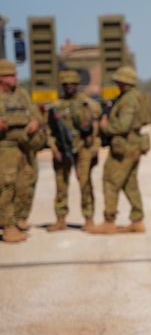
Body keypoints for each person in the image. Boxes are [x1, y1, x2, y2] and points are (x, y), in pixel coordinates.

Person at [91, 65, 146, 234]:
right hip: (133, 146)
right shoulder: (135, 97)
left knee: (110, 180)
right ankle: (137, 221)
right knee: (130, 183)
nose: (117, 84)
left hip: (124, 147)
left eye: (119, 81)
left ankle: (109, 222)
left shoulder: (128, 100)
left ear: (124, 82)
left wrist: (105, 127)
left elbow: (123, 126)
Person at [47, 69, 101, 232]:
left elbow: (96, 128)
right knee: (61, 184)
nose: (69, 87)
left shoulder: (88, 104)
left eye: (72, 84)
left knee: (85, 184)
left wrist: (93, 149)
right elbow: (49, 130)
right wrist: (54, 148)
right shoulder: (56, 106)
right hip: (62, 149)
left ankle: (89, 218)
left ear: (77, 84)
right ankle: (60, 219)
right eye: (66, 84)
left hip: (83, 148)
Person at [0, 59, 41, 243]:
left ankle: (17, 220)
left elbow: (36, 115)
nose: (15, 78)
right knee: (6, 187)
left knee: (23, 185)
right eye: (11, 75)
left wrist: (35, 122)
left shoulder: (21, 93)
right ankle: (7, 227)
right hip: (4, 148)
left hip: (24, 147)